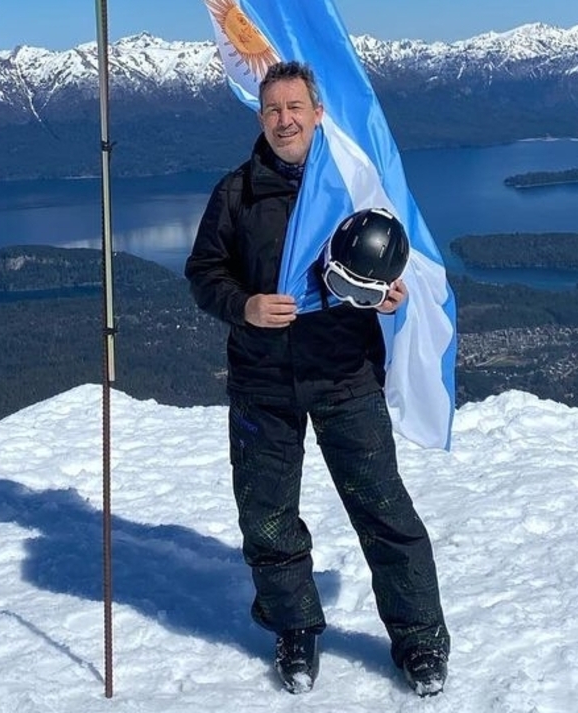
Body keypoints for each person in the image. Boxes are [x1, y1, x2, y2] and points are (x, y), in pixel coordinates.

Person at [184, 60, 450, 697]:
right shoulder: (236, 193)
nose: (285, 120)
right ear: (261, 117)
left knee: (383, 510)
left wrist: (387, 299)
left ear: (317, 112)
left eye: (295, 108)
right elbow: (204, 272)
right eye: (273, 110)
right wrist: (244, 305)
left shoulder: (352, 187)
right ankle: (293, 626)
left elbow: (384, 265)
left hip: (342, 375)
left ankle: (420, 640)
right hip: (262, 380)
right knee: (268, 516)